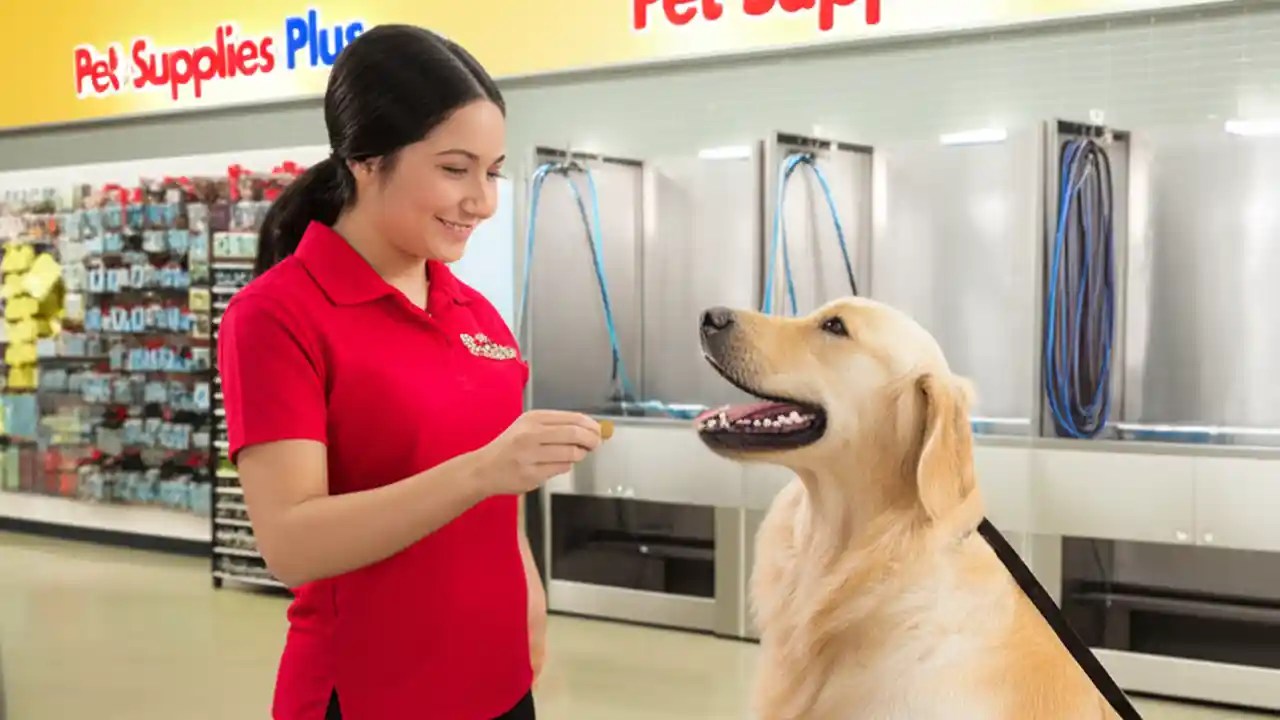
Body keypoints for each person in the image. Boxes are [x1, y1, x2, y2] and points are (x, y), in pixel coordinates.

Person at [217, 25, 602, 720]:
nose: (482, 201)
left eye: (493, 171)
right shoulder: (276, 316)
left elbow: (499, 505)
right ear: (367, 160)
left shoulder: (478, 315)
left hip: (499, 683)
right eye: (455, 170)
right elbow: (292, 544)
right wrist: (483, 470)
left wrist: (531, 598)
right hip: (369, 694)